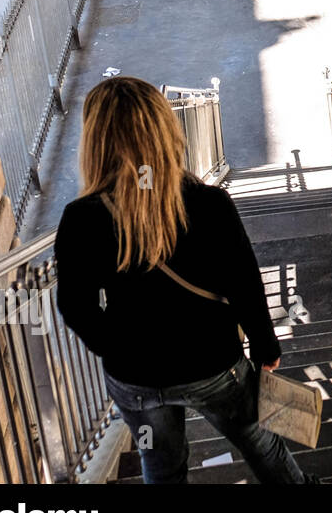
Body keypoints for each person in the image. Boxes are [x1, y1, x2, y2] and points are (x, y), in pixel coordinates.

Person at [55, 76, 309, 484]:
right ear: (164, 130)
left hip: (135, 376)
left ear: (96, 141)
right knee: (261, 443)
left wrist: (117, 346)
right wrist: (265, 345)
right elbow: (244, 284)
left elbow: (74, 305)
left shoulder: (81, 218)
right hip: (213, 363)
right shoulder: (209, 205)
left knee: (161, 466)